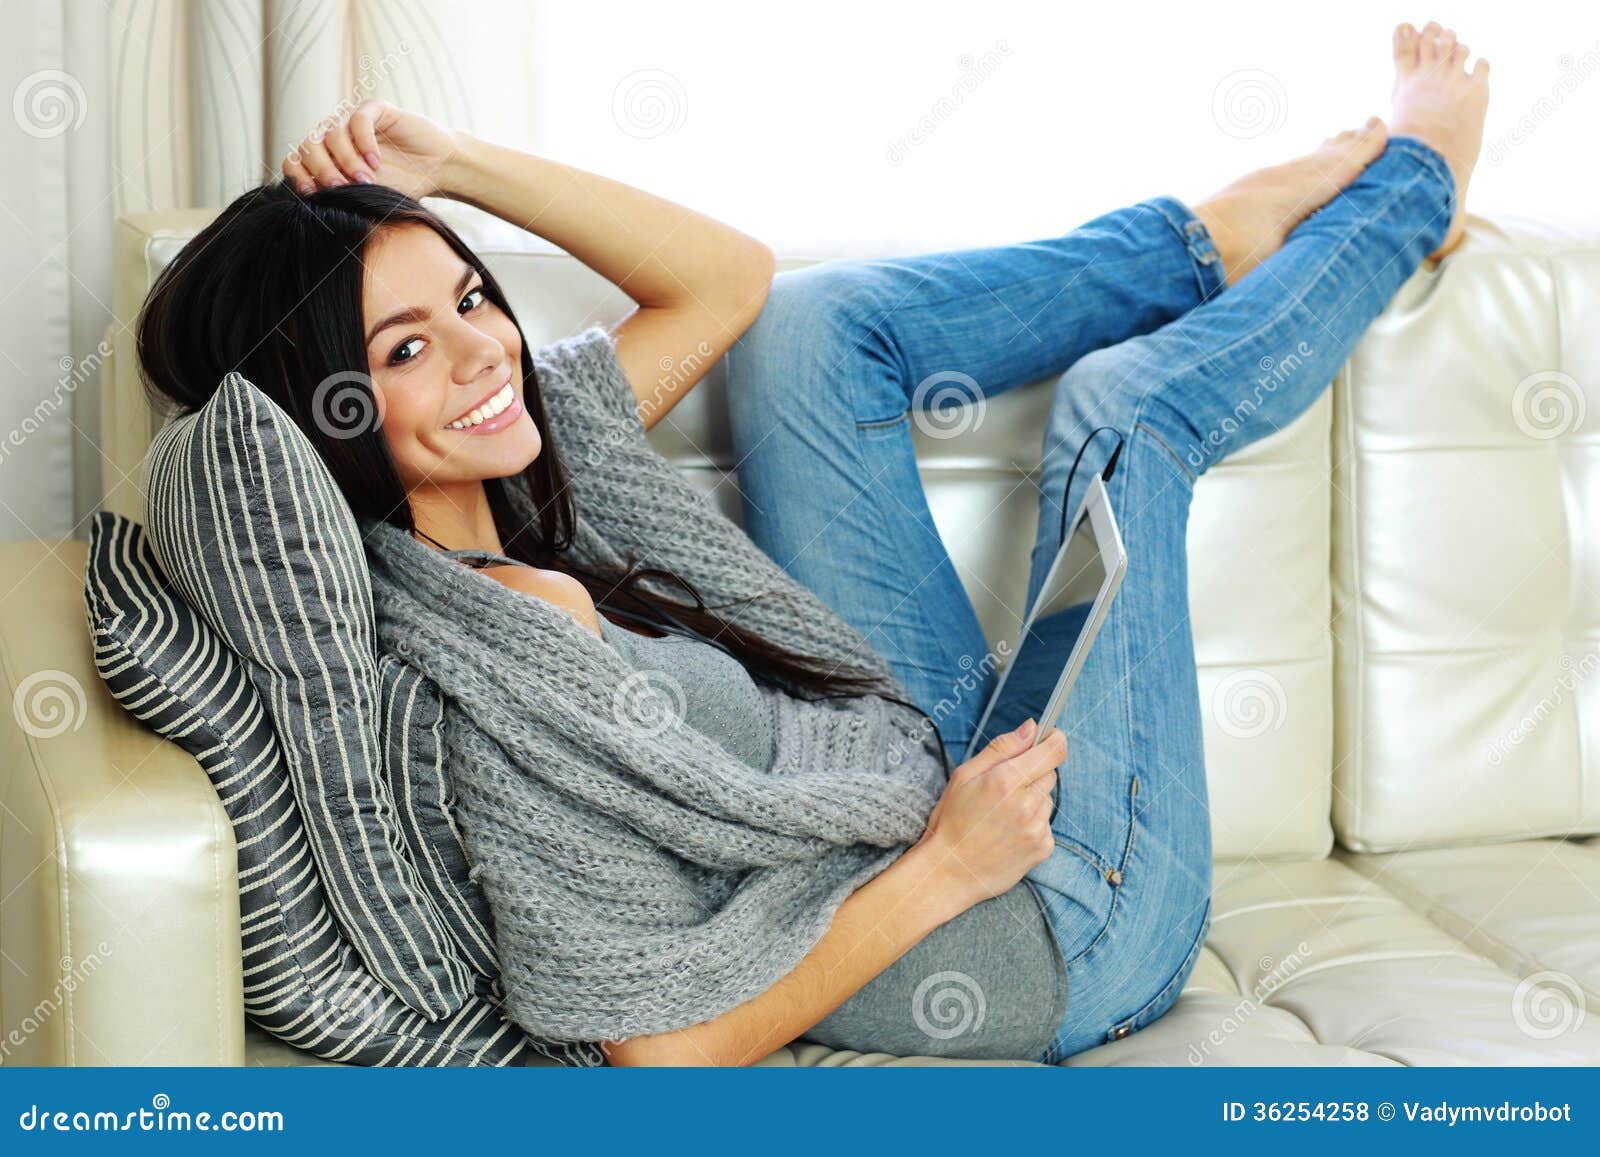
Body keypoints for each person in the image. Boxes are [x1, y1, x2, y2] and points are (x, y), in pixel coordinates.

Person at [138, 21, 1487, 1064]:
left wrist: (452, 167)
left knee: (808, 336)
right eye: (408, 348)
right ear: (333, 415)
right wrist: (950, 867)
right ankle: (1410, 189)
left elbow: (728, 279)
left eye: (472, 294)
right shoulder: (479, 682)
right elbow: (655, 1052)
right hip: (1052, 920)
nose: (489, 352)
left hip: (907, 778)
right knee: (1121, 420)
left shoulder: (543, 476)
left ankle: (1202, 242)